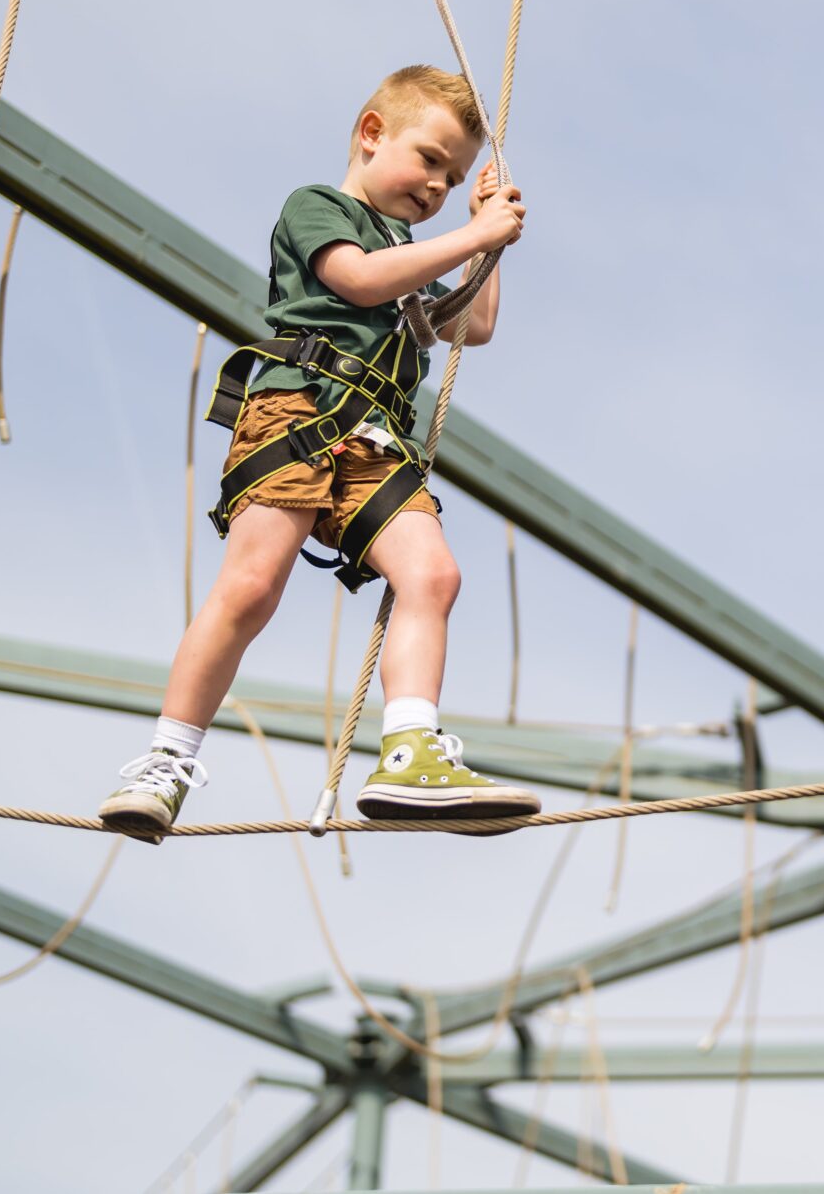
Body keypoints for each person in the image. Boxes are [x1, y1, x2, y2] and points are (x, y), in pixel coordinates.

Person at [99, 65, 539, 842]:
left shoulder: (414, 247)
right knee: (252, 586)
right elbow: (359, 282)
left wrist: (485, 241)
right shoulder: (319, 210)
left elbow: (472, 327)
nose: (439, 186)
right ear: (372, 133)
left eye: (456, 176)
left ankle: (410, 750)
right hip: (300, 408)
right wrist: (469, 234)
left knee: (433, 574)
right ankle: (166, 762)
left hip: (373, 437)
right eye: (431, 160)